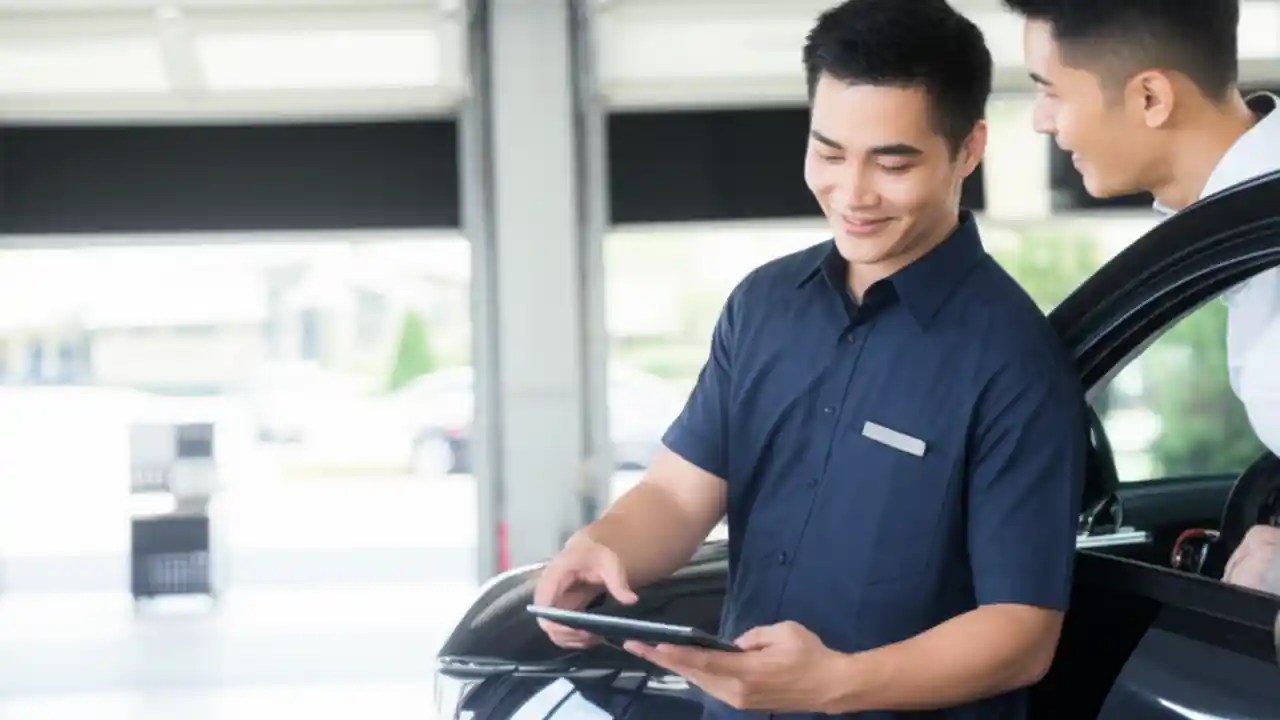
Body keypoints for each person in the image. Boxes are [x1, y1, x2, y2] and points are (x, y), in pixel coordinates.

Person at [532, 1, 1087, 717]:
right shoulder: (763, 306)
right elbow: (677, 495)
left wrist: (834, 684)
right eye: (828, 153)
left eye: (892, 163)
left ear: (969, 149)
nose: (852, 194)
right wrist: (602, 544)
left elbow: (1021, 634)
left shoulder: (1016, 362)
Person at [1002, 0, 1280, 595]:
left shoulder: (1263, 241)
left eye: (1051, 91)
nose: (1041, 121)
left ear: (1151, 97)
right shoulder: (1242, 231)